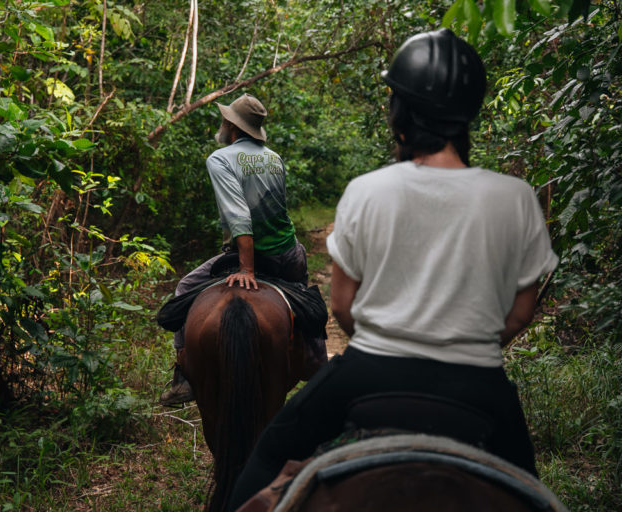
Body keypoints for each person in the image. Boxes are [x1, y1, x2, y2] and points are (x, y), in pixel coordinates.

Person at [226, 28, 559, 510]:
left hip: (370, 374)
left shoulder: (366, 190)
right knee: (534, 493)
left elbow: (343, 306)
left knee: (268, 453)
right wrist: (467, 344)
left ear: (398, 114)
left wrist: (393, 340)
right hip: (478, 383)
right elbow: (522, 311)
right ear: (469, 114)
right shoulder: (516, 197)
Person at [159, 93, 324, 406]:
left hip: (248, 254)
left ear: (232, 126)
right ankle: (316, 358)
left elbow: (238, 215)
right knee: (303, 296)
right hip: (288, 253)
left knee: (185, 287)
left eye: (225, 120)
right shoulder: (274, 158)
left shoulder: (220, 159)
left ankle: (182, 376)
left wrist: (247, 268)